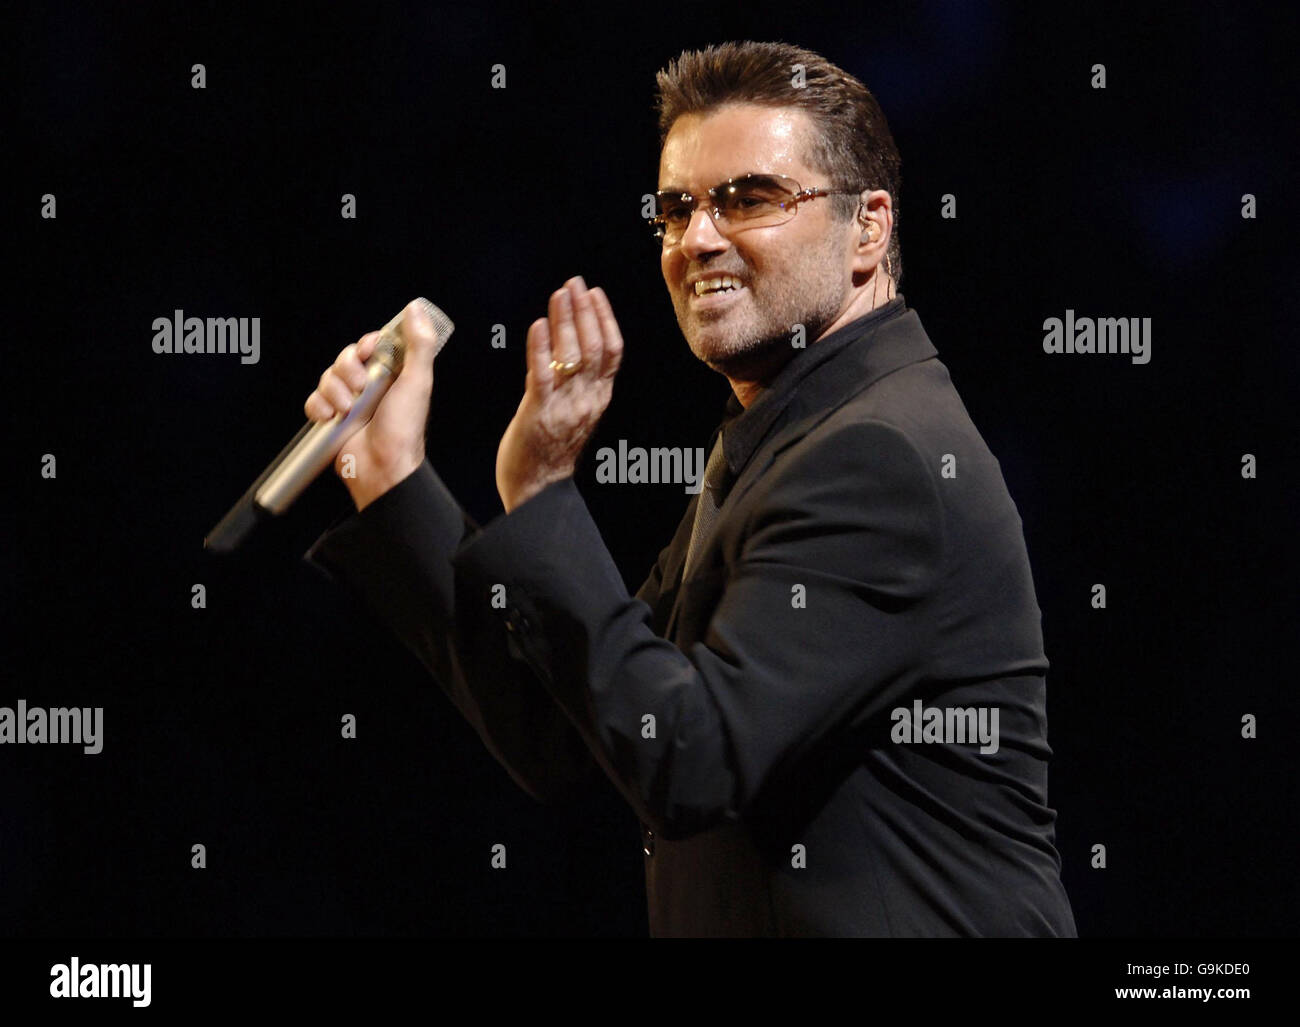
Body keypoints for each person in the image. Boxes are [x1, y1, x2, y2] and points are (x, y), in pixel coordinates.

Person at [302, 41, 1077, 937]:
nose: (699, 237)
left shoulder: (877, 457)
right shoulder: (789, 436)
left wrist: (546, 491)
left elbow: (689, 759)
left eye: (750, 198)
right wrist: (394, 480)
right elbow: (564, 733)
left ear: (868, 227)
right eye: (677, 209)